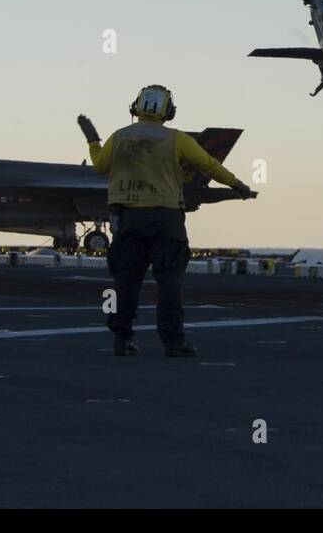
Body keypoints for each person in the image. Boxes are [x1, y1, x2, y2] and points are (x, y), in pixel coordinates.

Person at [78, 84, 256, 357]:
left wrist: (92, 140)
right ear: (168, 111)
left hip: (128, 219)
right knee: (170, 282)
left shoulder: (119, 137)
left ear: (135, 107)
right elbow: (207, 164)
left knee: (126, 281)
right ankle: (173, 343)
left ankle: (121, 339)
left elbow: (101, 166)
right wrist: (238, 185)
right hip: (166, 219)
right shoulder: (176, 139)